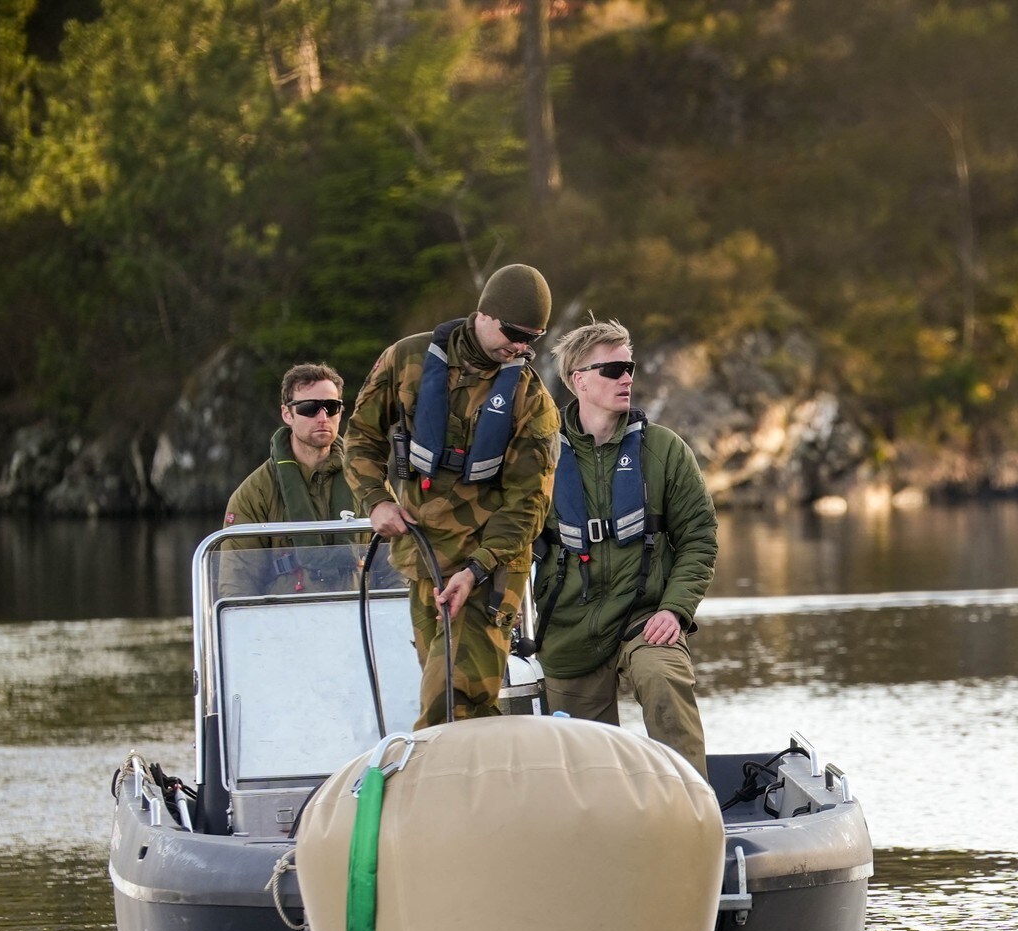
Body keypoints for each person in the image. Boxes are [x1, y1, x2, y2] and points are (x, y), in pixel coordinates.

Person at [343, 264, 561, 727]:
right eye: (514, 333)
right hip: (422, 560)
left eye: (532, 339)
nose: (521, 347)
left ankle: (447, 794)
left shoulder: (531, 399)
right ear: (484, 313)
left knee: (454, 701)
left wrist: (477, 569)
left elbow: (528, 506)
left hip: (491, 567)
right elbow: (361, 437)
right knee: (444, 694)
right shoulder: (407, 360)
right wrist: (375, 501)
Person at [532, 318, 717, 778]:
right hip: (570, 627)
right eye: (613, 370)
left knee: (662, 677)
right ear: (579, 381)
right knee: (582, 762)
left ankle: (692, 807)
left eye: (629, 367)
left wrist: (675, 610)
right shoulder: (537, 458)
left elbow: (699, 537)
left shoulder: (665, 450)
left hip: (646, 616)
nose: (627, 378)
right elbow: (510, 541)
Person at [219, 363, 360, 597]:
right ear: (287, 414)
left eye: (332, 407)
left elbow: (398, 561)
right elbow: (237, 585)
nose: (323, 417)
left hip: (360, 620)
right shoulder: (254, 494)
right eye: (309, 408)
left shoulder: (368, 480)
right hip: (285, 624)